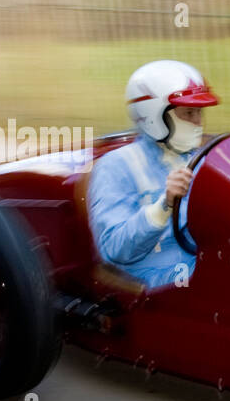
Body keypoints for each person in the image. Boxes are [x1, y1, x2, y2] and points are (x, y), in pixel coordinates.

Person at [88, 60, 219, 288]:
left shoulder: (199, 156)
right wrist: (163, 206)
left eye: (199, 112)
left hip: (202, 264)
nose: (199, 122)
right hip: (157, 281)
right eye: (189, 113)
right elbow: (114, 250)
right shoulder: (116, 166)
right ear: (155, 116)